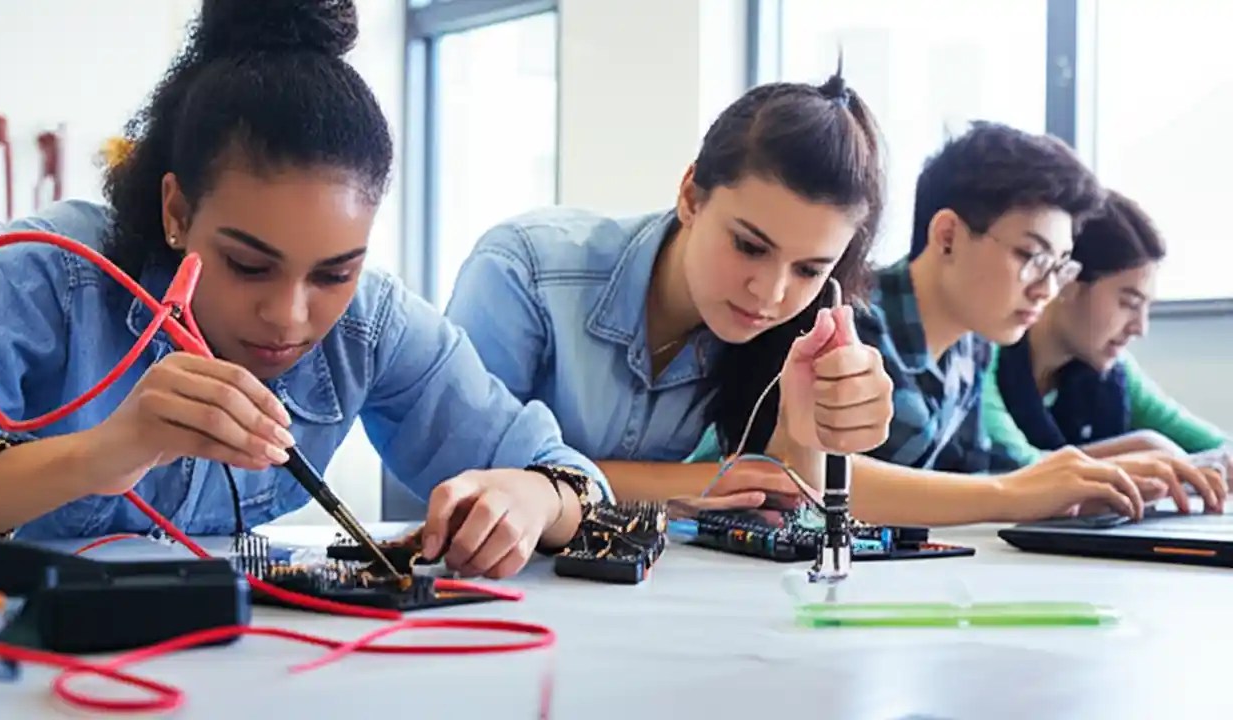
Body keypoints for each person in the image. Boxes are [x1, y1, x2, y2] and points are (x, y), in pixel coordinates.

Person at [0, 0, 606, 581]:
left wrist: (534, 498)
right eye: (248, 265)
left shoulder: (373, 326)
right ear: (177, 212)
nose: (288, 319)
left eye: (334, 273)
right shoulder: (42, 274)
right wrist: (107, 451)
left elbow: (570, 477)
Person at [446, 77, 1177, 525]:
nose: (769, 293)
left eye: (809, 267)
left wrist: (809, 440)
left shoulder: (806, 322)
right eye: (750, 246)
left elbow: (790, 490)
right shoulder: (529, 269)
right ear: (691, 193)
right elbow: (479, 474)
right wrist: (720, 481)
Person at [847, 121, 1222, 516]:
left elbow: (996, 472)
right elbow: (822, 481)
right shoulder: (856, 320)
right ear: (948, 237)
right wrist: (1019, 492)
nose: (1047, 290)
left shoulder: (973, 347)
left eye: (1059, 267)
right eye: (1032, 257)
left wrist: (1114, 478)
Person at [981, 189, 1229, 510]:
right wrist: (1141, 450)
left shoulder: (1114, 375)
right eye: (1128, 303)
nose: (1140, 327)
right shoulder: (983, 351)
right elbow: (1010, 470)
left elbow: (1214, 445)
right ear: (1067, 282)